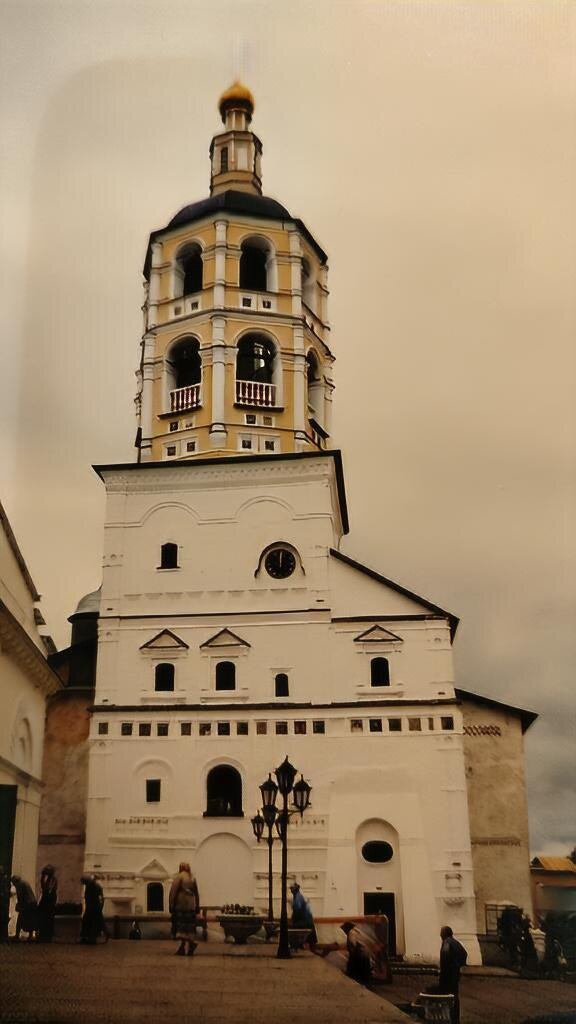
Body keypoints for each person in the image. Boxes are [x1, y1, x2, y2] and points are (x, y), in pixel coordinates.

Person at [169, 862, 199, 956]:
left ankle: (185, 947)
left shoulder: (179, 877)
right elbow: (196, 894)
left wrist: (171, 904)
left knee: (181, 927)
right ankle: (187, 946)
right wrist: (197, 906)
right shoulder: (192, 878)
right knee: (189, 927)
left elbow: (173, 891)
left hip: (181, 905)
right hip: (191, 905)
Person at [438, 926, 467, 1024]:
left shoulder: (447, 943)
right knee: (454, 995)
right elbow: (464, 954)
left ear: (444, 934)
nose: (440, 935)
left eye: (441, 933)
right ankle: (455, 1018)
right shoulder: (455, 942)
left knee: (448, 996)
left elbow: (445, 958)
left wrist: (445, 971)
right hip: (455, 973)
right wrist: (458, 964)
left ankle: (449, 1017)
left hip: (448, 974)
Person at [80, 874, 107, 944]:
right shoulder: (95, 885)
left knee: (90, 922)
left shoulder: (91, 886)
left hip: (92, 907)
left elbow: (91, 898)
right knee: (97, 922)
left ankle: (89, 937)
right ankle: (92, 937)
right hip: (95, 907)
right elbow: (100, 897)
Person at [290, 882, 317, 949]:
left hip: (304, 921)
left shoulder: (297, 897)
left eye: (292, 889)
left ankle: (297, 946)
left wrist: (293, 919)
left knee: (292, 930)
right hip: (307, 920)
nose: (291, 890)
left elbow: (297, 910)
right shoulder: (299, 896)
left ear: (295, 890)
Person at [11, 876, 38, 941]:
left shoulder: (20, 884)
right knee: (30, 919)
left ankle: (17, 935)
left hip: (27, 904)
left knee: (20, 919)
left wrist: (19, 906)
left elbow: (21, 896)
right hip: (32, 903)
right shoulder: (24, 883)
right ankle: (30, 935)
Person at [37, 865, 58, 943]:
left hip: (49, 900)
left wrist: (43, 878)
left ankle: (47, 935)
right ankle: (43, 934)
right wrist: (42, 878)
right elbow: (44, 888)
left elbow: (48, 889)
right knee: (43, 917)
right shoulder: (47, 879)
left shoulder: (53, 879)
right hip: (46, 899)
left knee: (48, 918)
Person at [0, 866, 11, 942]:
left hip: (3, 902)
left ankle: (3, 936)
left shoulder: (3, 880)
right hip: (3, 901)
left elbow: (5, 891)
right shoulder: (4, 880)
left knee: (3, 918)